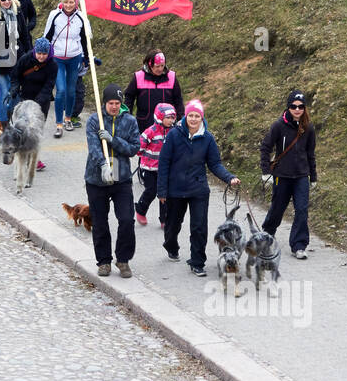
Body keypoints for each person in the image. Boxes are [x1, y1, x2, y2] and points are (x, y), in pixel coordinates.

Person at [158, 99, 240, 274]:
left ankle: (197, 262)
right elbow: (164, 163)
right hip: (176, 189)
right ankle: (171, 245)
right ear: (186, 116)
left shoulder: (208, 138)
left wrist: (229, 178)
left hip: (198, 189)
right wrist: (162, 191)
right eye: (191, 115)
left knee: (199, 227)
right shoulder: (174, 135)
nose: (194, 119)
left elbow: (215, 164)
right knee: (172, 224)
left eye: (197, 116)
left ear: (202, 118)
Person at [84, 84, 142, 278]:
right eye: (111, 103)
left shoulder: (130, 121)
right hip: (97, 177)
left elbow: (134, 148)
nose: (114, 107)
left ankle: (123, 259)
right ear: (105, 103)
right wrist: (103, 165)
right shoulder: (94, 120)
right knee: (100, 222)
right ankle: (104, 261)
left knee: (126, 219)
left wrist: (113, 140)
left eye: (117, 103)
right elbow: (93, 147)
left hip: (122, 176)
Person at [258, 89, 317, 260]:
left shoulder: (308, 128)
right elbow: (265, 147)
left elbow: (311, 154)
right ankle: (268, 234)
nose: (297, 109)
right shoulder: (278, 126)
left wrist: (313, 176)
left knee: (302, 210)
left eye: (300, 106)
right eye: (293, 106)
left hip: (301, 176)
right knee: (277, 208)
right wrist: (266, 172)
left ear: (304, 108)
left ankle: (299, 245)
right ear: (288, 107)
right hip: (282, 175)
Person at [42, 0, 88, 137]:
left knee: (71, 90)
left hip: (74, 57)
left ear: (76, 3)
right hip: (57, 58)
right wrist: (44, 55)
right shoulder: (54, 15)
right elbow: (47, 36)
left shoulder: (81, 17)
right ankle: (59, 123)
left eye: (71, 2)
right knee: (60, 90)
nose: (69, 5)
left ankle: (68, 118)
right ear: (62, 2)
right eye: (66, 2)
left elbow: (85, 39)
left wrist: (85, 57)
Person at [0, 0, 31, 125]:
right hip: (0, 60)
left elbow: (24, 35)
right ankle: (4, 125)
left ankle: (16, 121)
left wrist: (30, 56)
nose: (7, 1)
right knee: (4, 93)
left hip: (17, 57)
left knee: (15, 92)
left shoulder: (17, 11)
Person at [135, 103, 177, 227]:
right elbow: (139, 148)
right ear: (159, 117)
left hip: (165, 169)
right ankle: (141, 210)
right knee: (152, 190)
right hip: (149, 169)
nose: (170, 120)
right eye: (167, 117)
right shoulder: (150, 132)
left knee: (164, 193)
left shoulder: (173, 133)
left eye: (172, 118)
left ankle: (164, 219)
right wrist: (143, 154)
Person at [124, 51, 183, 134]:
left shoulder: (171, 77)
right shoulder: (138, 77)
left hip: (166, 126)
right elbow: (129, 98)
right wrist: (127, 117)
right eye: (157, 66)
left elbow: (178, 100)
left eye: (162, 66)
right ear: (149, 65)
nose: (160, 69)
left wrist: (181, 119)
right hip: (143, 125)